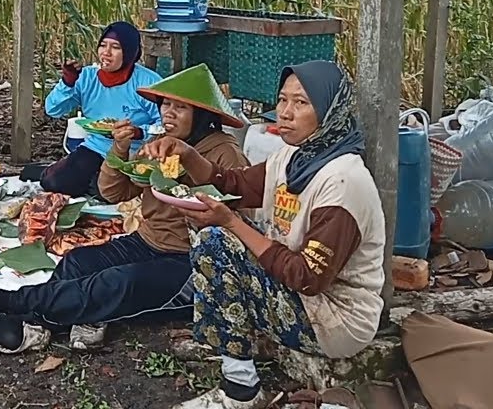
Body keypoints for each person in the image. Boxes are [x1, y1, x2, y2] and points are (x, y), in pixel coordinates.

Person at [142, 61, 385, 409]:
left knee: (217, 241)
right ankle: (237, 364)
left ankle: (240, 389)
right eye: (283, 100)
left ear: (330, 110)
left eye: (301, 103)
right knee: (213, 236)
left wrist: (231, 223)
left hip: (335, 319)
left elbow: (307, 277)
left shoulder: (343, 181)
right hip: (297, 292)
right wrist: (188, 155)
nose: (284, 112)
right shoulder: (293, 155)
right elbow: (235, 185)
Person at [0, 65, 247, 354]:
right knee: (77, 262)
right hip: (148, 241)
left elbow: (238, 209)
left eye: (180, 107)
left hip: (191, 261)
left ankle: (22, 311)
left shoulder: (225, 152)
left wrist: (191, 172)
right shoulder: (158, 143)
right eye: (165, 104)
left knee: (117, 283)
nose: (168, 113)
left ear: (203, 115)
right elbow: (114, 193)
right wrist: (120, 151)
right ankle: (38, 323)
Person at [41, 21, 161, 197]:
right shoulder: (87, 77)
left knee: (108, 192)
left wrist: (138, 132)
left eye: (115, 47)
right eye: (103, 45)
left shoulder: (148, 82)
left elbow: (164, 124)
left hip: (134, 151)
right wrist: (67, 82)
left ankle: (95, 183)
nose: (106, 52)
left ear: (129, 52)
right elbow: (53, 109)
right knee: (52, 182)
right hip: (97, 146)